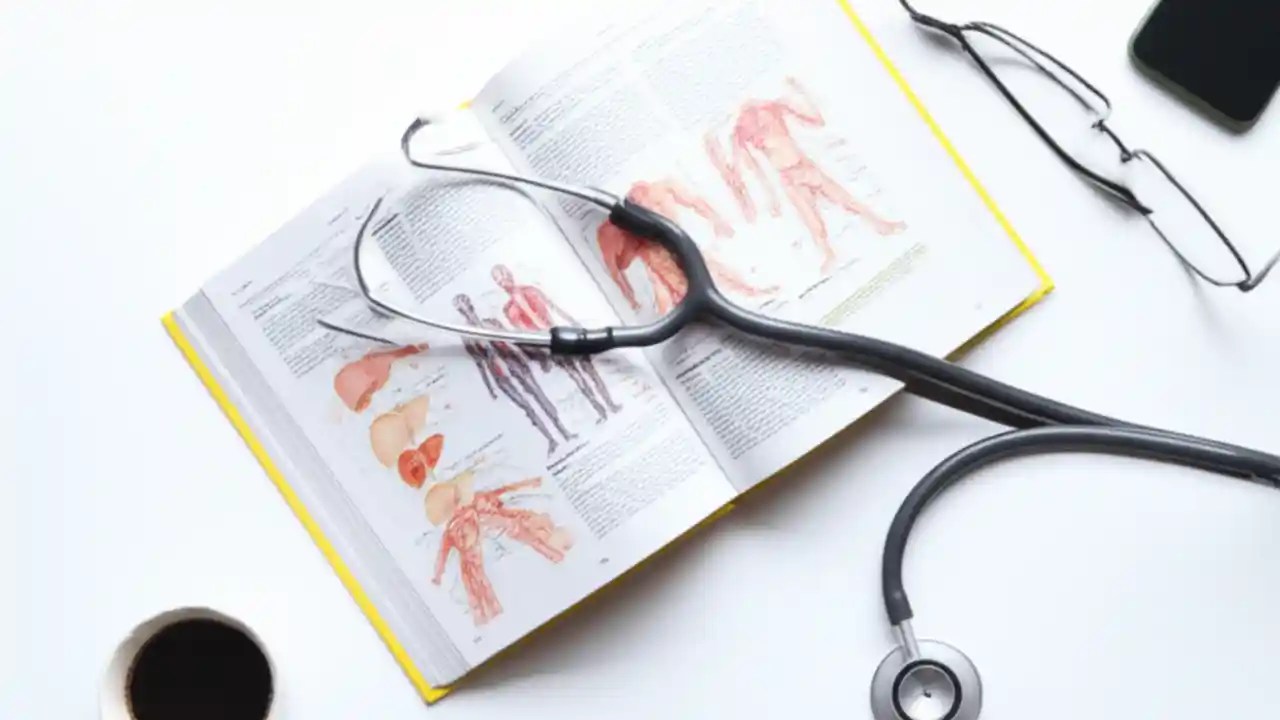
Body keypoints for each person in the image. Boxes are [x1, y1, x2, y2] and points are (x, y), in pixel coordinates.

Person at [705, 76, 906, 272]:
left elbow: (816, 120)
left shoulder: (771, 108)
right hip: (789, 176)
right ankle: (829, 253)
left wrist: (800, 90)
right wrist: (767, 196)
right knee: (812, 220)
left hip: (804, 166)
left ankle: (879, 225)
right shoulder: (740, 132)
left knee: (845, 200)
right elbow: (749, 169)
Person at [597, 178, 777, 314]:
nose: (646, 207)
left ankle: (751, 291)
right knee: (667, 286)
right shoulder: (616, 231)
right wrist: (629, 297)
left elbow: (695, 202)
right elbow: (618, 267)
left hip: (683, 248)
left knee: (710, 266)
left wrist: (716, 220)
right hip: (659, 262)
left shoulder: (664, 189)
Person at [491, 264, 623, 421]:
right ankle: (600, 410)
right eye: (499, 280)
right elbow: (523, 334)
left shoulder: (530, 290)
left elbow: (553, 307)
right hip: (549, 345)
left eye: (504, 276)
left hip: (562, 334)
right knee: (577, 377)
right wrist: (539, 354)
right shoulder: (509, 309)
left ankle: (609, 404)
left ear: (510, 273)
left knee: (589, 370)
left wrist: (573, 323)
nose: (503, 282)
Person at [454, 294, 566, 454]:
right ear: (460, 311)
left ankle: (562, 430)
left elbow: (512, 343)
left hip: (514, 363)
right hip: (499, 373)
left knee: (539, 395)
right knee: (527, 406)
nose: (466, 309)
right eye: (461, 307)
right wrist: (489, 388)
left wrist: (526, 357)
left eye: (466, 304)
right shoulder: (466, 336)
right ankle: (550, 439)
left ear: (471, 304)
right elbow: (479, 362)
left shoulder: (491, 322)